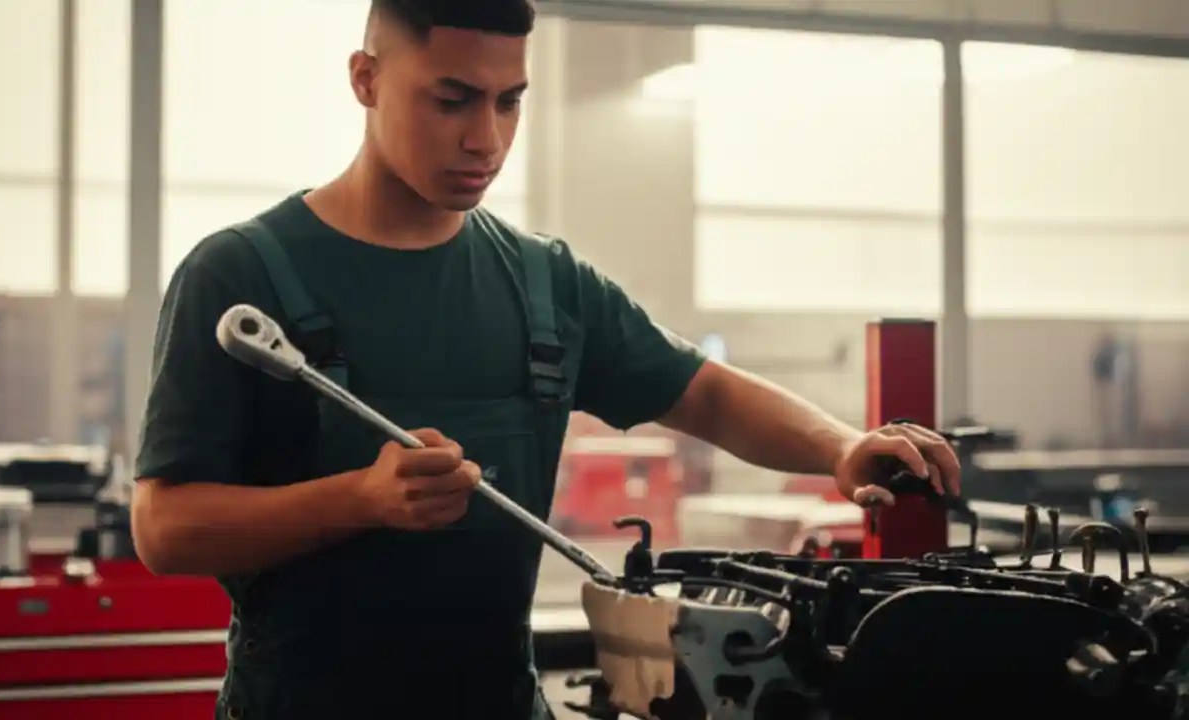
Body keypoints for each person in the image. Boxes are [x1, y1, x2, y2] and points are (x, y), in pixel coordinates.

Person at [129, 1, 963, 718]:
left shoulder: (542, 283)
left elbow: (702, 395)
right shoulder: (240, 274)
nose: (485, 139)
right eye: (451, 100)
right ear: (366, 79)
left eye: (508, 102)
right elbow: (164, 528)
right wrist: (360, 498)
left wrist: (840, 447)